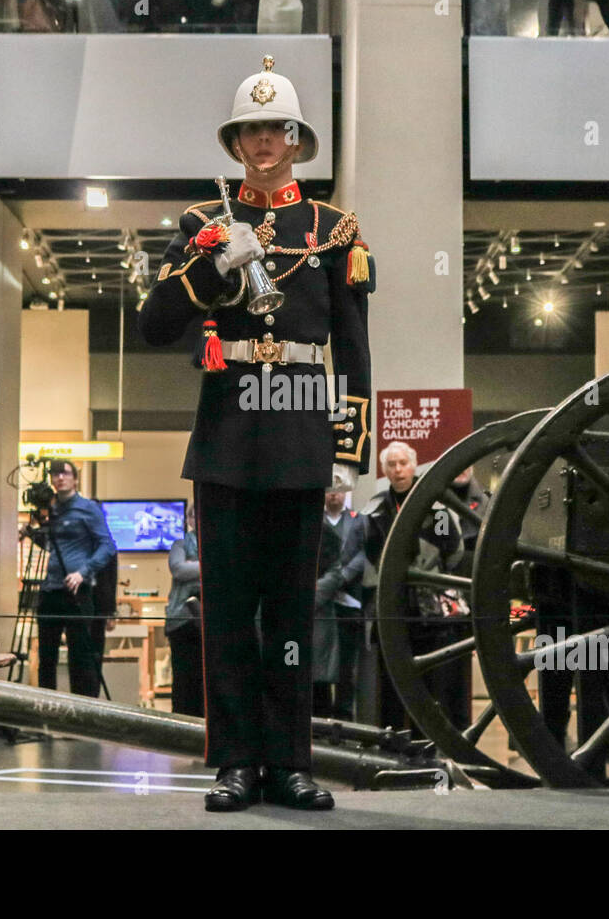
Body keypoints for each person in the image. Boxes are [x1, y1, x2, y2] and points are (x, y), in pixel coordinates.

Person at [138, 54, 373, 812]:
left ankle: (290, 760)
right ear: (236, 142)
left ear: (296, 139)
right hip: (228, 434)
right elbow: (153, 327)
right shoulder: (203, 225)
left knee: (295, 612)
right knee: (230, 611)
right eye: (250, 130)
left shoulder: (334, 230)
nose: (263, 141)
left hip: (303, 430)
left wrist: (348, 447)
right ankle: (236, 759)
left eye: (276, 128)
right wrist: (207, 271)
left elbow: (354, 348)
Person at [364, 441, 469, 732]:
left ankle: (429, 745)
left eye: (403, 463)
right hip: (393, 608)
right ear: (384, 471)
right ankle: (394, 746)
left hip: (431, 612)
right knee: (392, 686)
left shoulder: (435, 507)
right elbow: (372, 553)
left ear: (413, 465)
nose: (398, 470)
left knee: (432, 686)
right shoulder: (376, 510)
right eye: (391, 465)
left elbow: (452, 553)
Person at [36, 459, 116, 697]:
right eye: (55, 474)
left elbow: (108, 546)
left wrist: (84, 572)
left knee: (80, 657)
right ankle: (45, 712)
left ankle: (82, 713)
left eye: (65, 473)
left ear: (75, 478)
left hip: (77, 592)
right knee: (46, 657)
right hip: (51, 588)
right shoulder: (51, 509)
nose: (60, 478)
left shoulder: (88, 507)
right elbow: (52, 546)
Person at [318, 488, 367, 721]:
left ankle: (344, 717)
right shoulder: (315, 522)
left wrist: (342, 576)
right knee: (320, 663)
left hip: (348, 602)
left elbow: (364, 553)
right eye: (329, 491)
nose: (333, 496)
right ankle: (321, 714)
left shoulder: (359, 520)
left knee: (347, 667)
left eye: (338, 491)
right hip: (320, 606)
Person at [165, 504, 204, 717]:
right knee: (183, 679)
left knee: (205, 679)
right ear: (188, 519)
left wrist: (195, 566)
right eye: (192, 514)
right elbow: (179, 569)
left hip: (209, 623)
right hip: (181, 621)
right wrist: (210, 566)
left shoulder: (219, 543)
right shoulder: (179, 544)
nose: (197, 518)